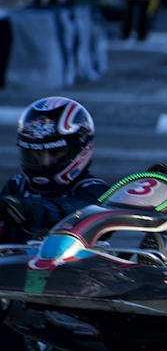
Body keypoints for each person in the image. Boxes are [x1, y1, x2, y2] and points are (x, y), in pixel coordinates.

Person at [2, 97, 107, 244]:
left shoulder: (96, 191)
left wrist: (28, 211)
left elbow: (74, 212)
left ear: (80, 149)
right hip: (15, 264)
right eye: (36, 155)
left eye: (54, 154)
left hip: (74, 265)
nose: (44, 163)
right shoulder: (16, 186)